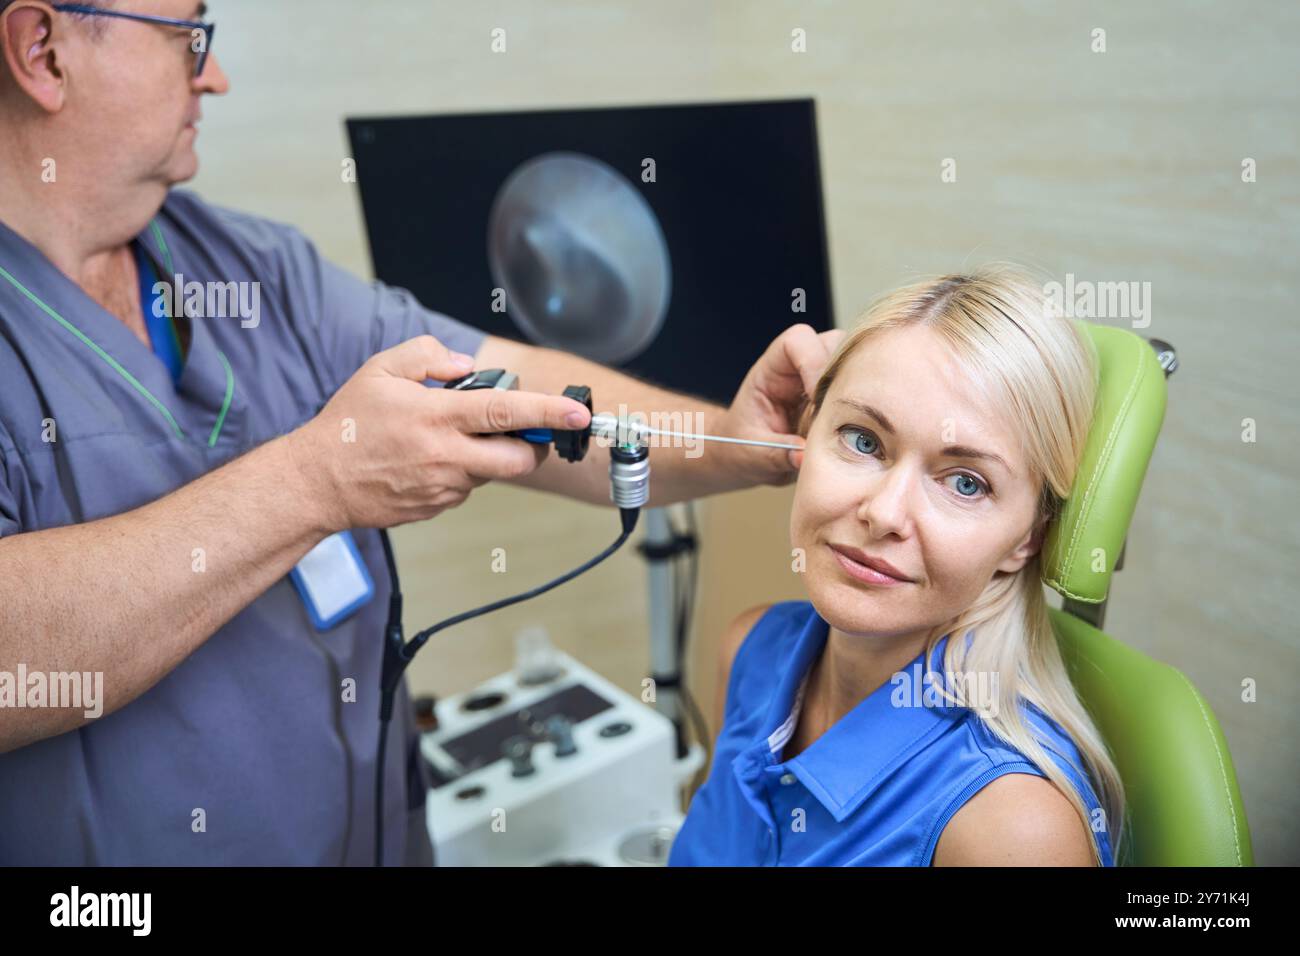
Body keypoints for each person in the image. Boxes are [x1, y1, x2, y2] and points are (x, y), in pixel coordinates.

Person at [0, 0, 843, 864]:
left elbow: (496, 381)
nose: (214, 74)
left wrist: (725, 439)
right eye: (190, 39)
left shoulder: (246, 266)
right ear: (45, 52)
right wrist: (314, 485)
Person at [668, 267, 1125, 866]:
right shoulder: (750, 651)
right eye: (862, 440)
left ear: (1028, 539)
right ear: (805, 436)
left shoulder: (1011, 829)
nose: (883, 513)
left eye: (965, 482)